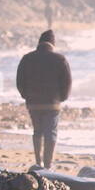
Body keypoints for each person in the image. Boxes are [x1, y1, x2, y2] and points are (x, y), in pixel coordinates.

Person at [15, 29, 72, 169]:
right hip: (53, 103)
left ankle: (37, 162)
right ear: (53, 44)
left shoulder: (27, 58)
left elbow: (19, 81)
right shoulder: (60, 59)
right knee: (50, 132)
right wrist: (62, 98)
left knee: (37, 131)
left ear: (39, 43)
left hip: (33, 103)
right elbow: (67, 82)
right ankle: (48, 165)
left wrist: (26, 96)